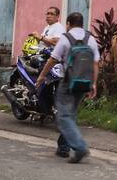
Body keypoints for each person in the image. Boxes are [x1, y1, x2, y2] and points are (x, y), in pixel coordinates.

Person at [35, 11, 99, 162]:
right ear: (82, 24)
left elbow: (52, 59)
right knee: (70, 115)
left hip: (68, 82)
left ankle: (80, 147)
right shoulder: (91, 39)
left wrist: (42, 76)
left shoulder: (65, 38)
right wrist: (94, 83)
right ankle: (63, 147)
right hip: (84, 83)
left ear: (68, 24)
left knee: (63, 116)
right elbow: (96, 63)